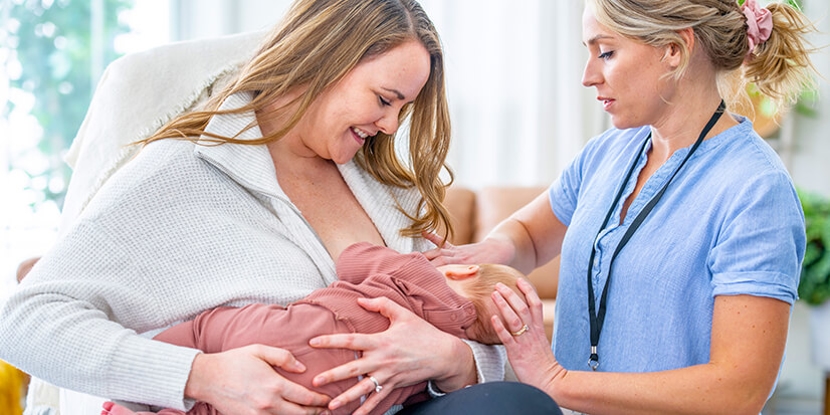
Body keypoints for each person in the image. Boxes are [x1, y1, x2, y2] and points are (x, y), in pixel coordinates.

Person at [0, 1, 561, 414]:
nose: (391, 126)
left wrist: (452, 360)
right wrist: (201, 374)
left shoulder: (390, 193)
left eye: (404, 109)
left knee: (517, 408)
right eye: (385, 100)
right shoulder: (183, 173)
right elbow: (24, 322)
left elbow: (470, 325)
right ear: (321, 64)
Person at [424, 0, 816, 414]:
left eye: (605, 52)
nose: (587, 76)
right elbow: (528, 236)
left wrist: (555, 381)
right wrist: (494, 250)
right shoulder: (608, 153)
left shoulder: (756, 189)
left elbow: (738, 389)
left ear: (674, 50)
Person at [99, 242, 539, 415]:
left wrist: (408, 256)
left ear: (463, 272)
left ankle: (134, 390)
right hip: (335, 398)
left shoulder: (416, 271)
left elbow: (352, 257)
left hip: (290, 331)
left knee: (202, 335)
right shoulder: (432, 356)